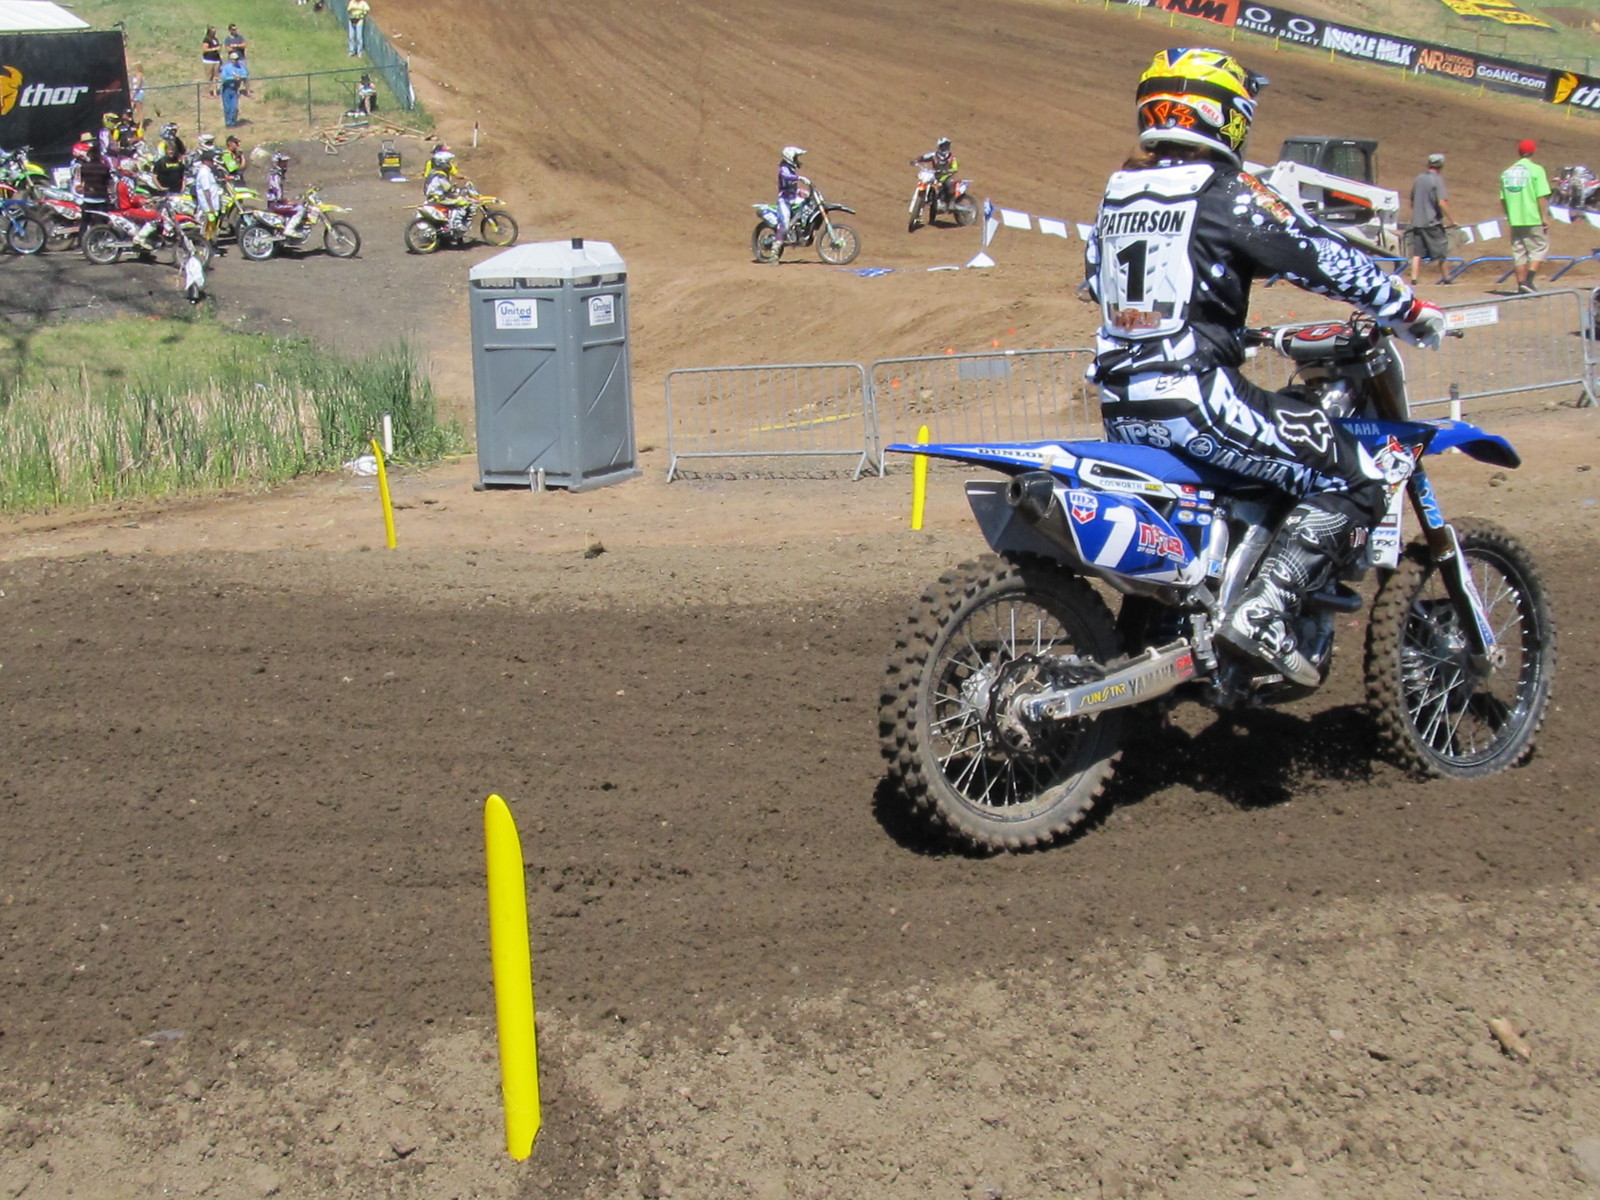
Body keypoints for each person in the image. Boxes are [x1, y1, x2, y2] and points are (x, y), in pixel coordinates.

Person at [1084, 47, 1445, 686]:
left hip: (1121, 406)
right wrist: (1408, 307)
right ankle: (1266, 611)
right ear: (1225, 114)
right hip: (1194, 399)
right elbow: (1321, 256)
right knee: (1357, 476)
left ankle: (1185, 629)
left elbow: (1105, 285)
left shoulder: (1117, 192)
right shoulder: (1225, 190)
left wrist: (1235, 329)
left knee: (1243, 490)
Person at [1501, 138, 1551, 294]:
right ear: (1533, 151)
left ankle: (1521, 285)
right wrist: (1545, 216)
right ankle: (1529, 281)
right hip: (1532, 217)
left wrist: (1509, 215)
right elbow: (1541, 196)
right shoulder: (1536, 170)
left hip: (1515, 219)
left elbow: (1502, 198)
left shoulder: (1506, 172)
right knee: (1540, 248)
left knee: (1519, 253)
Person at [1407, 153, 1454, 287]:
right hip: (1432, 222)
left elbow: (1412, 200)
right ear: (1441, 166)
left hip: (1417, 222)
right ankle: (1447, 278)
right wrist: (1452, 220)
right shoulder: (1437, 180)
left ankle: (1414, 279)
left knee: (1417, 253)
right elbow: (1441, 202)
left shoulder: (1418, 179)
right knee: (1442, 251)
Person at [112, 160, 165, 251]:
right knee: (156, 216)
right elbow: (132, 199)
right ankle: (140, 238)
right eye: (133, 169)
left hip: (125, 208)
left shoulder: (122, 181)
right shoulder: (126, 182)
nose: (134, 171)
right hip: (128, 209)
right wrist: (144, 201)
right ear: (127, 170)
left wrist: (143, 201)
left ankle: (145, 249)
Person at [423, 147, 473, 231]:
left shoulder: (434, 172)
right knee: (463, 202)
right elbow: (448, 187)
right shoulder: (440, 174)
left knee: (454, 202)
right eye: (448, 162)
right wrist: (455, 190)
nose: (449, 164)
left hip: (434, 194)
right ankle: (457, 224)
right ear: (442, 163)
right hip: (439, 196)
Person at [773, 145, 808, 256]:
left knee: (807, 204)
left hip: (793, 197)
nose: (797, 160)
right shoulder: (784, 169)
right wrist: (799, 178)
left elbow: (792, 187)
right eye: (796, 157)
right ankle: (774, 253)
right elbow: (786, 177)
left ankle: (800, 231)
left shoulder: (791, 169)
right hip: (784, 200)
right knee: (785, 224)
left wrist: (802, 192)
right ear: (790, 158)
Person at [912, 136, 958, 209]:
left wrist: (949, 171)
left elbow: (955, 167)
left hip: (946, 175)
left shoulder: (952, 157)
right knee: (928, 182)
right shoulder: (934, 155)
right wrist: (916, 160)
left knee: (949, 184)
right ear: (939, 147)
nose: (945, 148)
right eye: (943, 146)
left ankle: (951, 202)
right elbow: (924, 157)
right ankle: (929, 198)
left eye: (946, 146)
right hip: (936, 174)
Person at [219, 50, 248, 128]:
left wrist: (240, 77)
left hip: (235, 89)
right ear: (230, 59)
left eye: (237, 59)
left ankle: (233, 122)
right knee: (227, 108)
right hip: (226, 89)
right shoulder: (226, 67)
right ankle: (228, 123)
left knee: (234, 107)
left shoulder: (240, 67)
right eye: (234, 59)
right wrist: (234, 78)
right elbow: (224, 78)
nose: (236, 60)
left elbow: (245, 74)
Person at [201, 27, 222, 97]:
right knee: (209, 77)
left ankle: (215, 91)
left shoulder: (215, 39)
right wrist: (215, 49)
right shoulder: (206, 39)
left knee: (216, 77)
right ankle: (209, 92)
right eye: (213, 32)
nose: (214, 33)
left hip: (216, 60)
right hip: (208, 60)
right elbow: (205, 49)